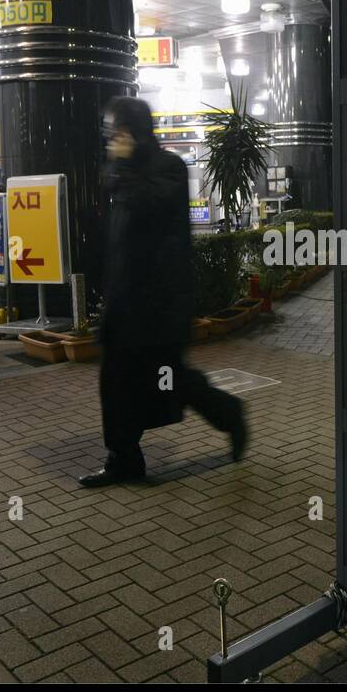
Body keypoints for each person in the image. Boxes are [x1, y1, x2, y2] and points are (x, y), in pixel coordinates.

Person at [79, 96, 248, 487]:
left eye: (117, 131)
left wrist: (120, 166)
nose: (111, 140)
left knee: (168, 378)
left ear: (135, 131)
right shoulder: (122, 170)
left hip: (159, 303)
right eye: (108, 133)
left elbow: (145, 204)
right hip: (124, 301)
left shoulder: (168, 167)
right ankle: (123, 458)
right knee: (115, 382)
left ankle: (228, 412)